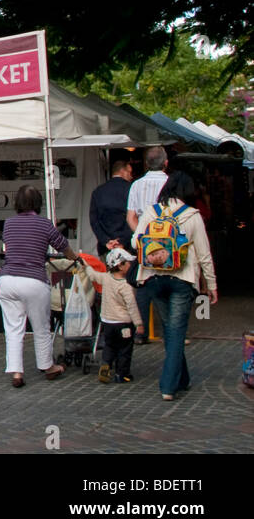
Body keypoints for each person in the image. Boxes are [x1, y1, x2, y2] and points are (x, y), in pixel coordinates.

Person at [135, 172, 218, 401]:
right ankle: (168, 386)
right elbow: (204, 254)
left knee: (170, 329)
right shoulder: (192, 215)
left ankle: (182, 379)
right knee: (176, 331)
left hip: (153, 278)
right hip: (182, 279)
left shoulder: (152, 211)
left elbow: (135, 241)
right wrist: (211, 284)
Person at [0, 184, 82, 387]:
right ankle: (47, 366)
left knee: (13, 328)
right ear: (38, 203)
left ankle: (16, 372)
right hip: (34, 280)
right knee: (41, 326)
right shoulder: (44, 224)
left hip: (8, 280)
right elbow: (63, 246)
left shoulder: (8, 224)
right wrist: (75, 257)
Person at [77, 248, 144, 384]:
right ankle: (122, 374)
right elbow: (131, 306)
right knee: (124, 349)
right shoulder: (125, 286)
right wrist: (139, 324)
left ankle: (105, 365)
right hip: (124, 323)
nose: (130, 265)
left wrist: (85, 264)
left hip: (107, 322)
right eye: (128, 263)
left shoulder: (106, 278)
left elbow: (93, 275)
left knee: (109, 346)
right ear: (120, 265)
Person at [126, 146, 169, 344]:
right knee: (168, 280)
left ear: (145, 164)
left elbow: (131, 216)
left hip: (144, 241)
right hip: (168, 241)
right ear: (165, 163)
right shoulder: (170, 183)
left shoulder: (136, 185)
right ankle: (170, 328)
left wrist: (142, 236)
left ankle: (141, 331)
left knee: (143, 282)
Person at [89, 160, 134, 258]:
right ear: (122, 171)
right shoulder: (131, 189)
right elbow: (134, 218)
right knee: (129, 272)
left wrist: (106, 241)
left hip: (105, 247)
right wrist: (122, 241)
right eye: (129, 172)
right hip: (128, 246)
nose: (131, 176)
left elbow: (94, 221)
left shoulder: (98, 192)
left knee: (107, 273)